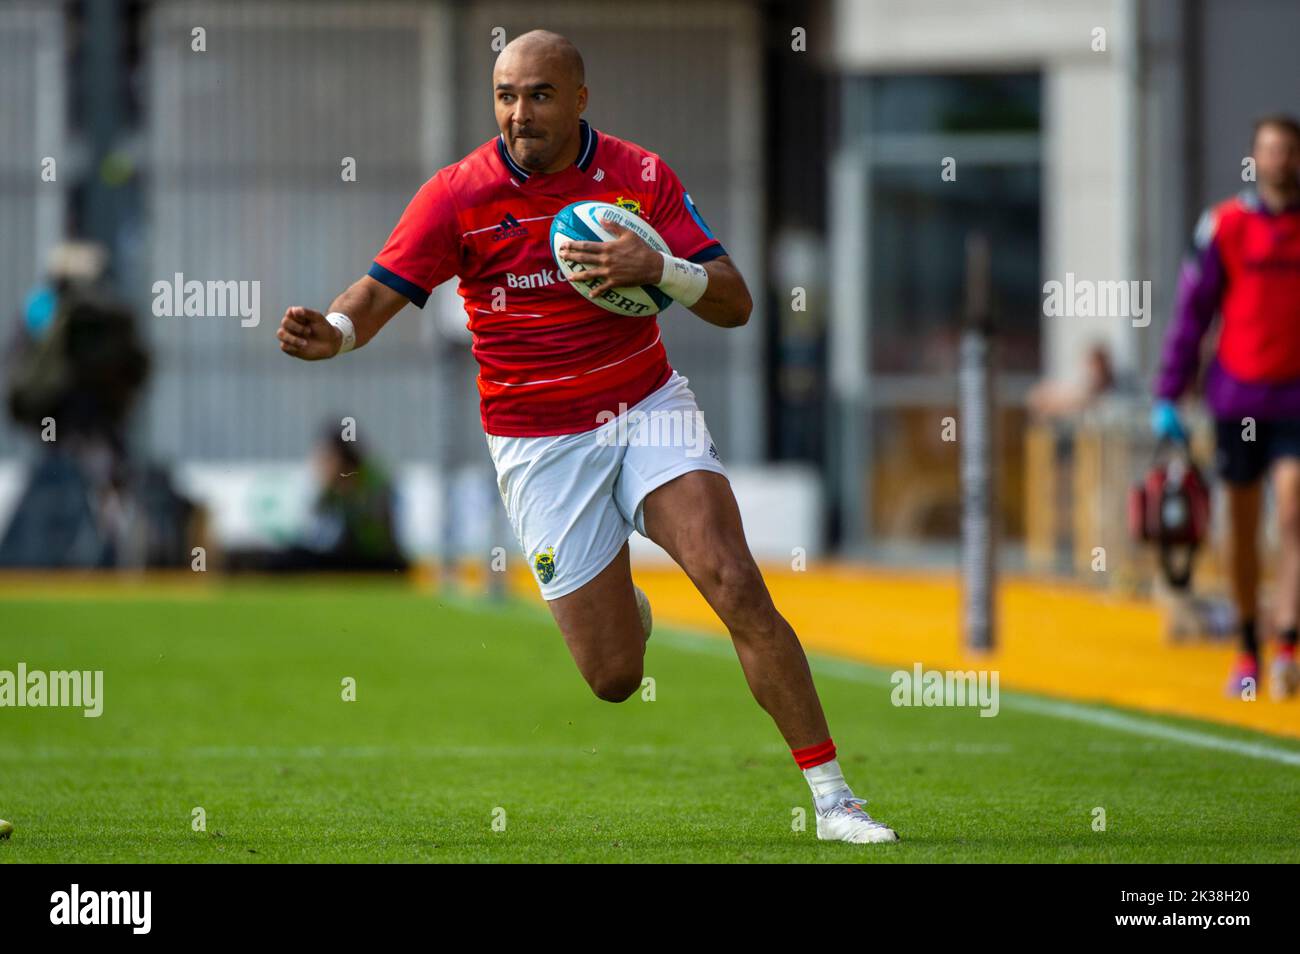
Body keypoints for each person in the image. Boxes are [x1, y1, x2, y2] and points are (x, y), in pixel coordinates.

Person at [276, 30, 897, 843]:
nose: (518, 113)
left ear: (579, 99)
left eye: (537, 94)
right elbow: (380, 289)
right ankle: (618, 603)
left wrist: (661, 270)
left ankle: (833, 798)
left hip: (646, 408)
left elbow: (738, 301)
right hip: (539, 443)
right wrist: (336, 332)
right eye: (504, 94)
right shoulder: (458, 195)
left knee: (733, 580)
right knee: (612, 677)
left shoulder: (641, 177)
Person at [1152, 114, 1300, 699]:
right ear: (1254, 158)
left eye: (1288, 150)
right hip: (1238, 396)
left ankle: (1288, 638)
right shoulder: (1224, 226)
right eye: (1269, 150)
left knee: (1293, 511)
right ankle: (1246, 644)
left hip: (1296, 398)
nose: (1279, 160)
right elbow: (1192, 313)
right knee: (1239, 530)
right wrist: (1168, 391)